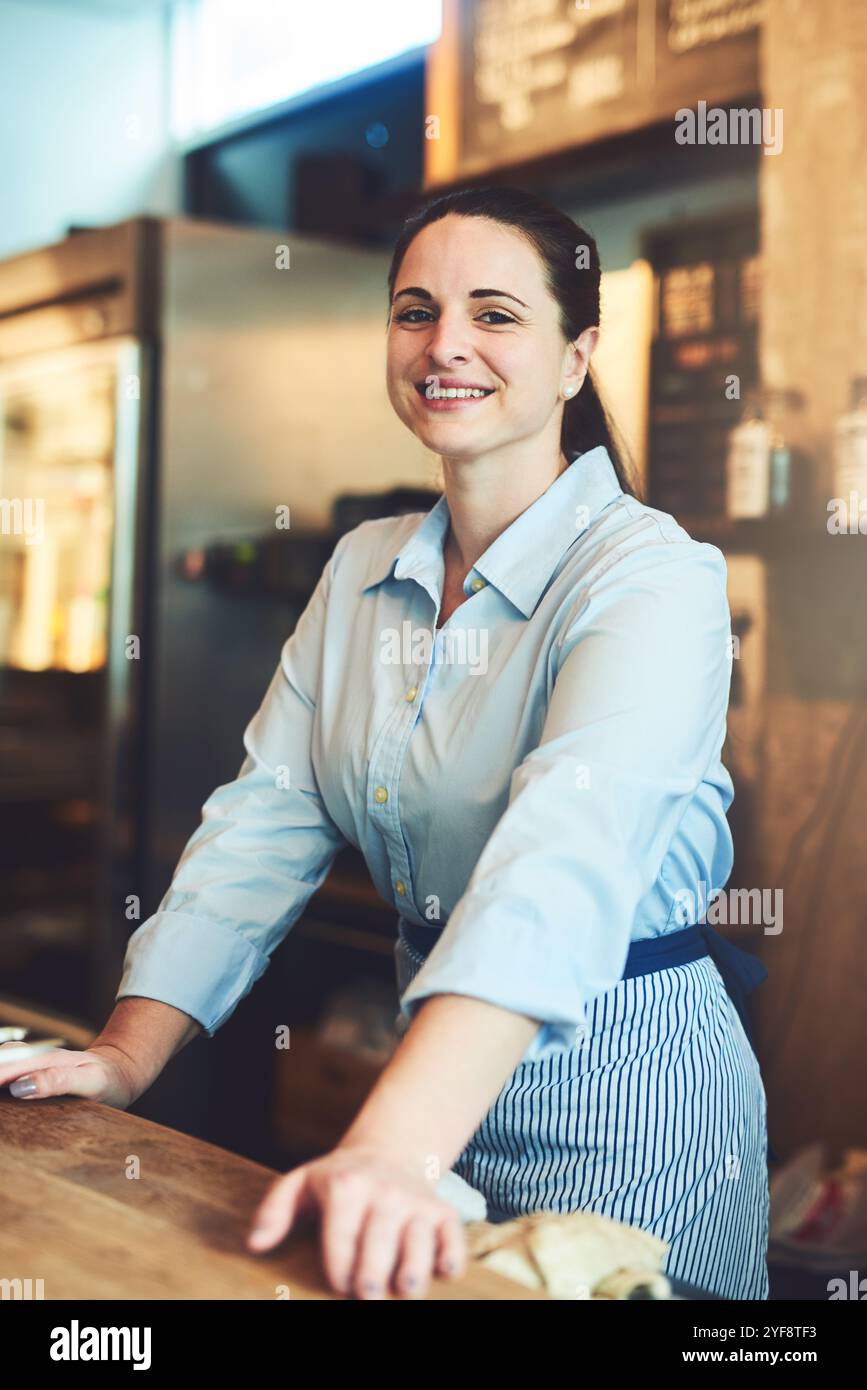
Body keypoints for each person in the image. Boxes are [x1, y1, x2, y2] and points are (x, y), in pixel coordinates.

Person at [0, 186, 769, 1301]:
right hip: (424, 1086)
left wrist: (397, 1143)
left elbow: (559, 863)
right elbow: (260, 824)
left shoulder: (651, 575)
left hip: (627, 1099)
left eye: (496, 313)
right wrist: (127, 1051)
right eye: (416, 310)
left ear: (574, 355)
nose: (445, 343)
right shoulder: (362, 568)